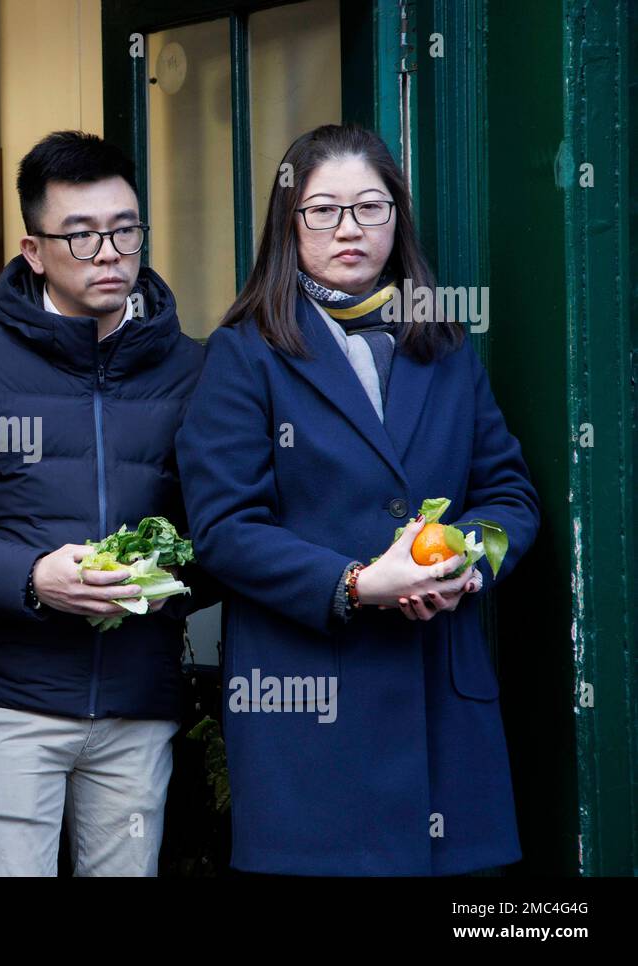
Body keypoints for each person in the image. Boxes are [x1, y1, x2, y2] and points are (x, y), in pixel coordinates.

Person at [176, 124, 540, 876]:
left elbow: (508, 492)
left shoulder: (443, 341)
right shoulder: (243, 353)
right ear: (289, 223)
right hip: (312, 720)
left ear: (396, 219)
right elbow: (222, 529)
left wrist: (465, 561)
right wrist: (356, 584)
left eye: (371, 207)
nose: (350, 228)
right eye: (324, 210)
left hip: (443, 707)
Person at [0, 130, 214, 876]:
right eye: (80, 236)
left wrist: (167, 579)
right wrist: (32, 578)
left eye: (124, 229)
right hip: (10, 701)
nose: (109, 251)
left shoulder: (194, 370)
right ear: (33, 249)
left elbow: (230, 527)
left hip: (139, 700)